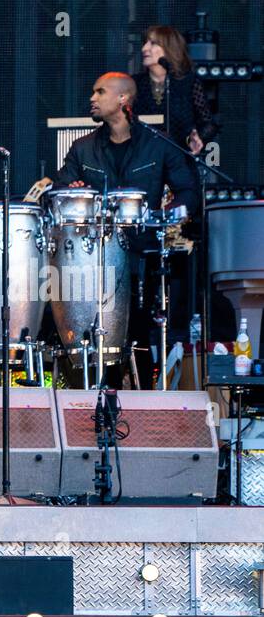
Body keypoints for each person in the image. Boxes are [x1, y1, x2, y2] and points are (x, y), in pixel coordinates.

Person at [53, 72, 199, 384]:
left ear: (123, 99)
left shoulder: (158, 143)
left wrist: (161, 216)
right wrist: (73, 188)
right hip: (92, 262)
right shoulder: (82, 148)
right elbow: (60, 189)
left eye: (100, 91)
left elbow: (189, 191)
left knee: (139, 333)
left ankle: (143, 400)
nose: (92, 98)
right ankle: (92, 398)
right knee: (91, 336)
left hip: (140, 258)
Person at [133, 25, 217, 157]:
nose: (144, 48)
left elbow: (208, 123)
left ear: (169, 49)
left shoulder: (188, 83)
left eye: (153, 43)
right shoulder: (134, 84)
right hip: (144, 162)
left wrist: (195, 139)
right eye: (145, 43)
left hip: (179, 162)